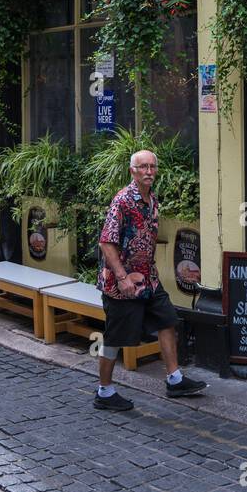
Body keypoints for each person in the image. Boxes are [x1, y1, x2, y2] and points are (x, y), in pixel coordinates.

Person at [94, 149, 206, 411]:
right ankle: (105, 391)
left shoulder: (152, 200)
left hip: (149, 278)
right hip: (121, 284)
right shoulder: (122, 201)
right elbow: (106, 242)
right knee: (114, 337)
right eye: (142, 167)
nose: (148, 171)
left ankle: (174, 379)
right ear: (132, 171)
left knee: (167, 320)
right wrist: (122, 278)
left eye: (152, 167)